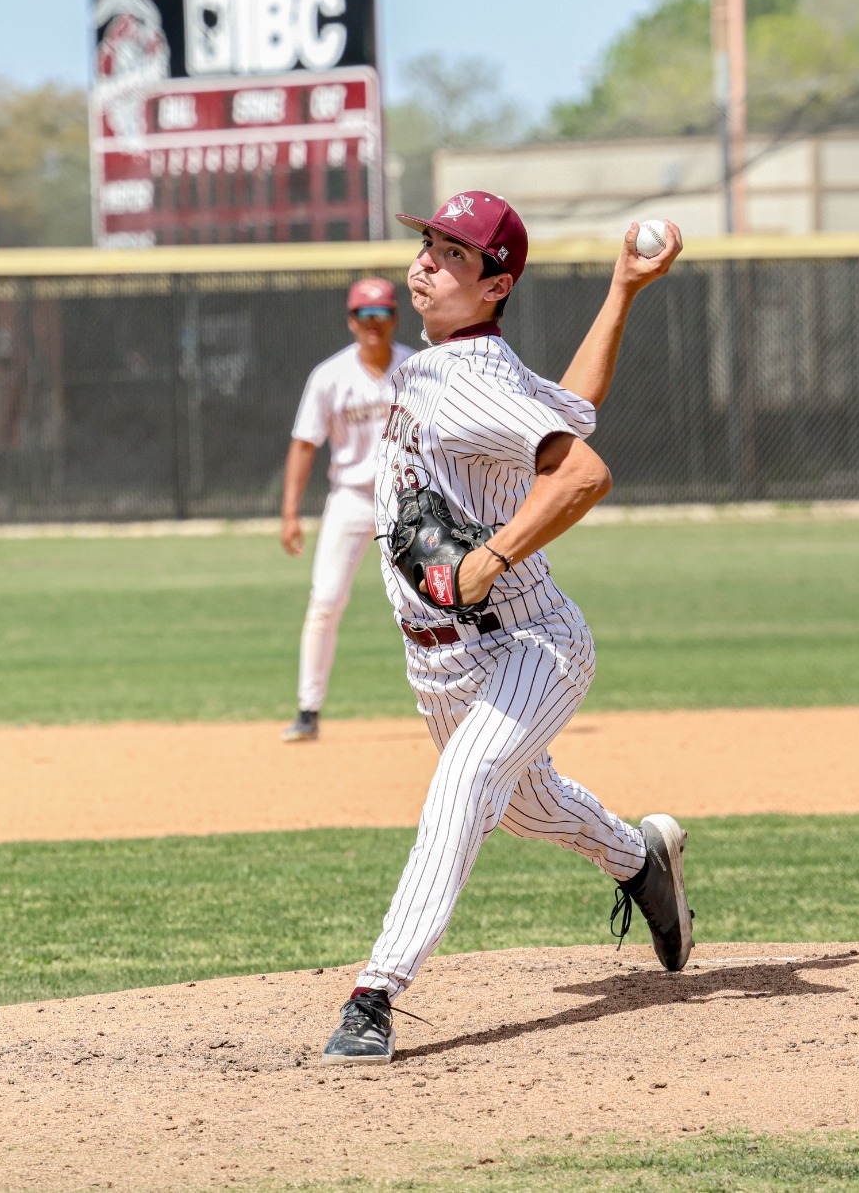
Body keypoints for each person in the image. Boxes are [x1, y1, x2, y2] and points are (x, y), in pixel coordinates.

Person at [321, 190, 691, 1065]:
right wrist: (622, 288)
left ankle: (375, 994)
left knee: (461, 793)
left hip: (530, 641)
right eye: (429, 244)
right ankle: (641, 860)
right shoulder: (453, 362)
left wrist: (492, 556)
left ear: (496, 284)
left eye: (452, 254)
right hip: (442, 665)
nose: (425, 262)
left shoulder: (469, 380)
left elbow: (582, 472)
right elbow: (575, 407)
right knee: (530, 807)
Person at [278, 278, 416, 743]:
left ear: (395, 318)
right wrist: (290, 513)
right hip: (352, 498)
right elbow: (304, 443)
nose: (373, 323)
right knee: (326, 600)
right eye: (364, 314)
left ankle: (459, 701)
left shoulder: (416, 369)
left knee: (429, 601)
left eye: (381, 314)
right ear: (351, 320)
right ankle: (308, 710)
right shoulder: (330, 376)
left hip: (408, 498)